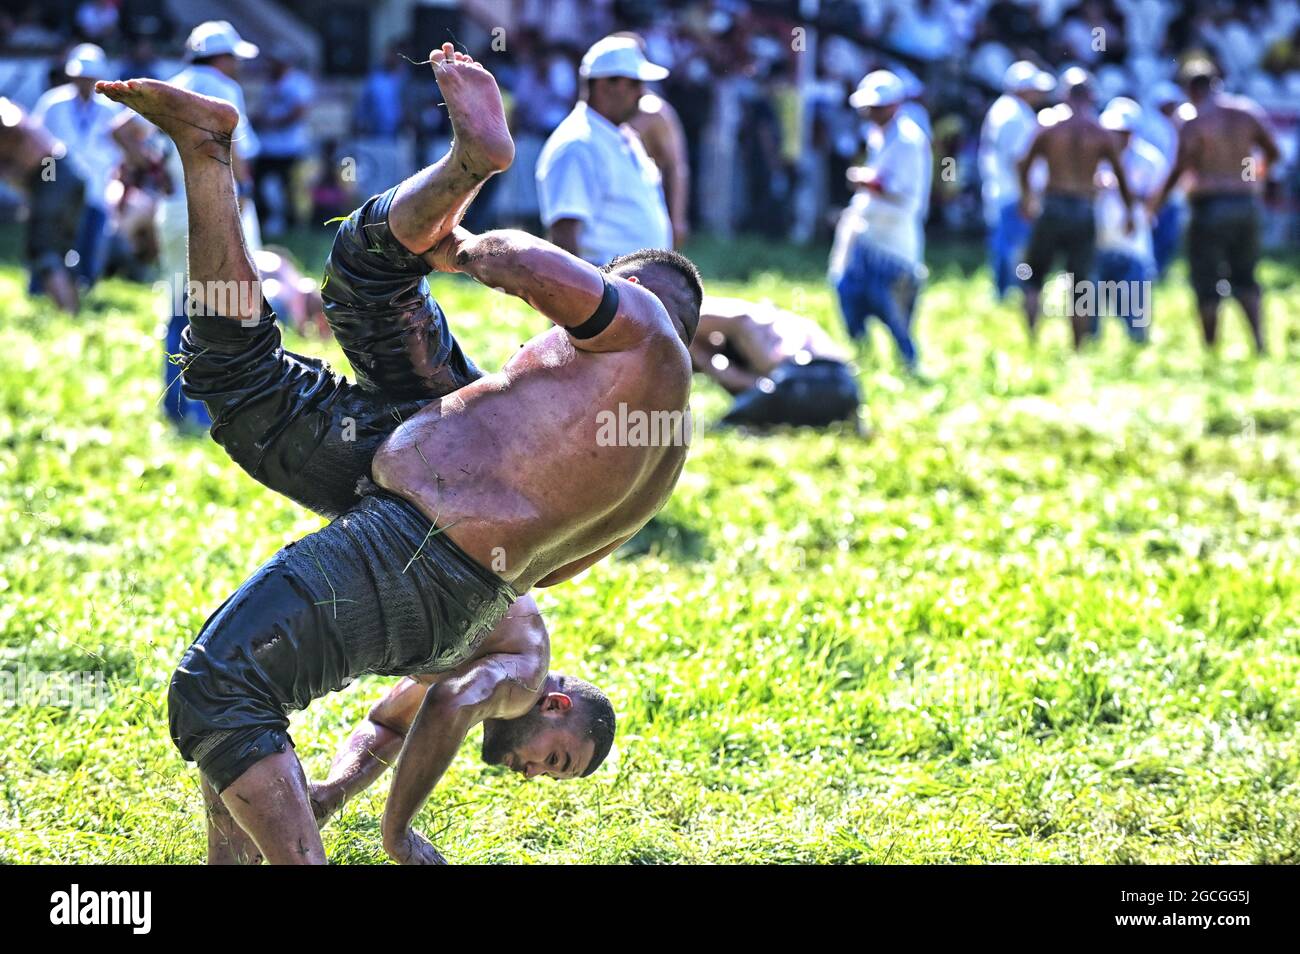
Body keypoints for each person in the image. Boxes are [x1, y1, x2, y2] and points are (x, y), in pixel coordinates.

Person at [97, 43, 700, 866]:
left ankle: (467, 165)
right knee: (260, 357)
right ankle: (206, 152)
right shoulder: (659, 455)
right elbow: (551, 572)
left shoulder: (631, 321)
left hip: (424, 537)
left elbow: (526, 261)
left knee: (220, 688)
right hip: (433, 489)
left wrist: (460, 251)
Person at [1151, 61, 1281, 355]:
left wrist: (1156, 204)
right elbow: (1273, 151)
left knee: (1207, 280)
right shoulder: (1246, 111)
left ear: (1190, 89)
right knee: (1246, 277)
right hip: (1246, 204)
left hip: (1208, 206)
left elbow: (1179, 168)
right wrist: (1254, 175)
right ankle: (1259, 343)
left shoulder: (1194, 120)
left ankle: (1211, 350)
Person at [1017, 68, 1134, 348]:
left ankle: (1032, 340)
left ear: (1064, 95)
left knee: (1034, 277)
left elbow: (1023, 163)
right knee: (1080, 282)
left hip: (1053, 204)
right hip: (1083, 208)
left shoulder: (1050, 127)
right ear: (1091, 96)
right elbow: (1121, 175)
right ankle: (1078, 347)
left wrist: (1027, 198)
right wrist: (1130, 211)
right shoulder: (1100, 132)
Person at [536, 35, 673, 264]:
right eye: (634, 83)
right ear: (603, 85)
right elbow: (564, 235)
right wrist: (583, 296)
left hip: (630, 290)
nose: (642, 93)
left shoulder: (616, 134)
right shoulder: (578, 144)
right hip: (609, 292)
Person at [829, 70, 931, 373]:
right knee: (848, 292)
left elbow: (901, 190)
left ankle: (908, 366)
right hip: (868, 233)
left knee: (894, 313)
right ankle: (864, 361)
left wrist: (865, 180)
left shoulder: (908, 140)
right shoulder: (880, 135)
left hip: (894, 240)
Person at [689, 296, 860, 429]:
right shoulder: (788, 324)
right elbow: (758, 385)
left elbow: (685, 318)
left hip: (811, 376)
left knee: (733, 418)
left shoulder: (756, 319)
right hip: (847, 391)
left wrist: (703, 358)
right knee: (757, 400)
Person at [31, 43, 122, 288]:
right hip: (60, 184)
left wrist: (114, 182)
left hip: (96, 184)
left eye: (89, 77)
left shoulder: (110, 109)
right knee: (52, 238)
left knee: (90, 240)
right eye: (81, 77)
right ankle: (42, 288)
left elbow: (117, 153)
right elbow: (42, 146)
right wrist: (47, 181)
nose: (84, 82)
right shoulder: (53, 103)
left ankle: (84, 286)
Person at [0, 97, 84, 314]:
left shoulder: (5, 112)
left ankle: (67, 314)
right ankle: (72, 312)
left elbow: (11, 123)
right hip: (55, 176)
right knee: (58, 251)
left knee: (44, 250)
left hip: (51, 171)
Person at [979, 60, 1055, 300]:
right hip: (1012, 192)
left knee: (1008, 247)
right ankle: (1007, 296)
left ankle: (1005, 295)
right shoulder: (1012, 115)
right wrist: (1028, 197)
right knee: (1013, 250)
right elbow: (1017, 161)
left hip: (1006, 190)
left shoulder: (1008, 110)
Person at [1093, 98, 1167, 343]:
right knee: (1087, 304)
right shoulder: (1092, 156)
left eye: (1123, 132)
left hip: (1132, 243)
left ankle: (1137, 348)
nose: (1117, 137)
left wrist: (1140, 214)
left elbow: (1159, 195)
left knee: (1135, 307)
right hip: (1096, 240)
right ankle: (1085, 349)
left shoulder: (1150, 159)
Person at [617, 32, 691, 248]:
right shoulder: (602, 111)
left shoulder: (654, 111)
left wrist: (677, 219)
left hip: (643, 207)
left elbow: (677, 167)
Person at [254, 47, 314, 235]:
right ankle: (265, 219)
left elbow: (299, 112)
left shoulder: (298, 82)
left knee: (289, 187)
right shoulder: (270, 83)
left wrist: (272, 122)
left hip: (290, 145)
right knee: (261, 184)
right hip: (267, 145)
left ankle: (292, 223)